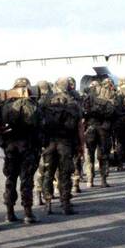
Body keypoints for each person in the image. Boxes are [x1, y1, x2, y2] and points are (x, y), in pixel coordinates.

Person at [0, 77, 41, 224]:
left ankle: (9, 213)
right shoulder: (32, 103)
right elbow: (39, 123)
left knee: (10, 179)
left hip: (10, 147)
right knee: (26, 180)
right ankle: (28, 213)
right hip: (27, 146)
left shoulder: (5, 104)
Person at [38, 78, 86, 216]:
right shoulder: (73, 103)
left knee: (48, 173)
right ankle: (65, 204)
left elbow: (39, 123)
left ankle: (47, 203)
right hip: (66, 143)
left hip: (49, 143)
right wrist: (81, 145)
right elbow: (79, 127)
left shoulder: (44, 101)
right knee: (65, 174)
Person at [82, 77, 118, 187]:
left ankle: (90, 179)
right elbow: (114, 113)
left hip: (91, 128)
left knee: (89, 154)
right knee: (104, 154)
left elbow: (83, 113)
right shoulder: (108, 97)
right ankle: (103, 179)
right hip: (104, 129)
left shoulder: (87, 97)